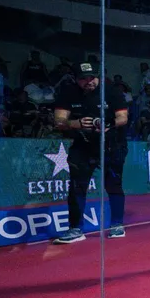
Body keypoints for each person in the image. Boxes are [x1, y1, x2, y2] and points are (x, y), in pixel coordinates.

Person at [51, 63, 129, 243]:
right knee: (77, 187)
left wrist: (107, 124)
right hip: (83, 145)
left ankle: (117, 225)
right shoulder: (68, 92)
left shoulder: (112, 91)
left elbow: (123, 117)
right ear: (76, 79)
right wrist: (75, 123)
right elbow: (59, 120)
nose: (88, 82)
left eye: (92, 78)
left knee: (113, 184)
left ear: (98, 77)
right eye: (83, 78)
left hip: (112, 145)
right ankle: (76, 229)